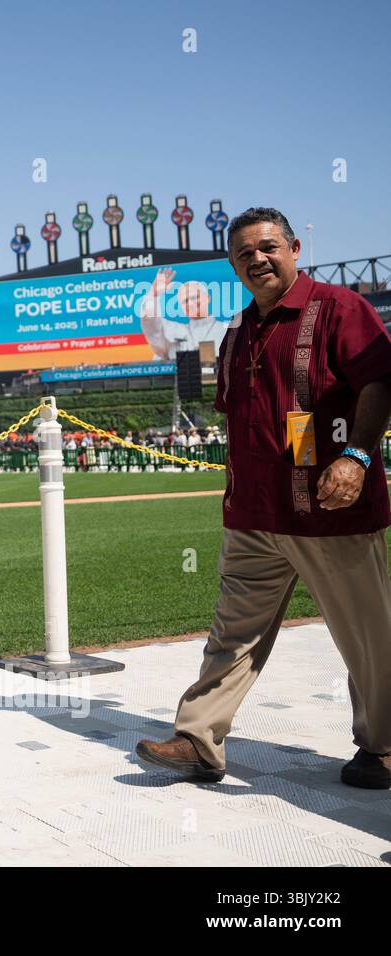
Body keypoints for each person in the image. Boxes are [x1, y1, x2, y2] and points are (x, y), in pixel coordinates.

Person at [137, 207, 391, 789]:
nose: (257, 259)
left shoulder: (338, 309)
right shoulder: (239, 330)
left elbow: (380, 379)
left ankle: (382, 746)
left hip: (332, 511)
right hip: (254, 513)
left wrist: (356, 456)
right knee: (232, 634)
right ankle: (198, 739)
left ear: (295, 247)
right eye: (244, 254)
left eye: (268, 246)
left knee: (367, 637)